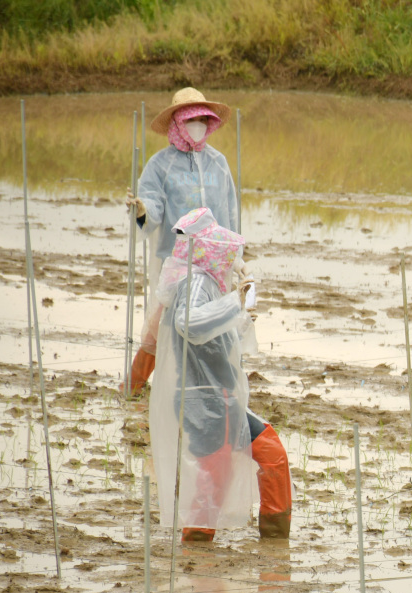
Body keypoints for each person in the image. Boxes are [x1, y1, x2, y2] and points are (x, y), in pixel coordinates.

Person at [150, 208, 291, 541]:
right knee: (216, 477)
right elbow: (189, 323)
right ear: (205, 248)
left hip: (218, 397)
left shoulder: (203, 282)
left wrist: (240, 309)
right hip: (205, 401)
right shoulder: (195, 282)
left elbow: (220, 337)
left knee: (265, 456)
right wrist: (233, 303)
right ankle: (200, 557)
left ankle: (274, 538)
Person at [126, 87, 242, 393]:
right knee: (163, 325)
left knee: (210, 324)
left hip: (214, 262)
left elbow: (230, 212)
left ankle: (204, 388)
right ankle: (134, 386)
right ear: (177, 122)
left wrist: (236, 257)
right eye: (191, 119)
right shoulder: (160, 165)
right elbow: (152, 204)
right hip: (175, 260)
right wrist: (142, 210)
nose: (198, 124)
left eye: (203, 118)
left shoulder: (219, 163)